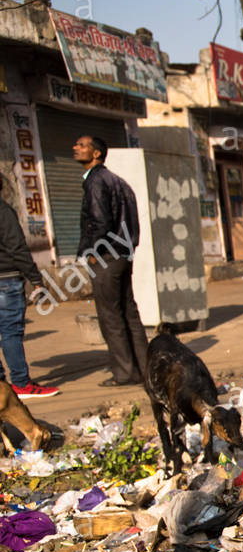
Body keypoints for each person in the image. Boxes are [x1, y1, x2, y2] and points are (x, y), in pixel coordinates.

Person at [74, 134, 147, 387]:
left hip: (107, 255)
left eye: (82, 145)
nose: (76, 148)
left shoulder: (96, 181)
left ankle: (125, 373)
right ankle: (145, 368)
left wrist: (93, 251)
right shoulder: (118, 181)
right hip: (123, 254)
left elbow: (99, 221)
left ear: (96, 154)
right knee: (129, 313)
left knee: (110, 316)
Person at [0, 175, 58, 398]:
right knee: (11, 333)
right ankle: (21, 383)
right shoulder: (4, 212)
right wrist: (36, 279)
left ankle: (3, 385)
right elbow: (17, 248)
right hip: (6, 280)